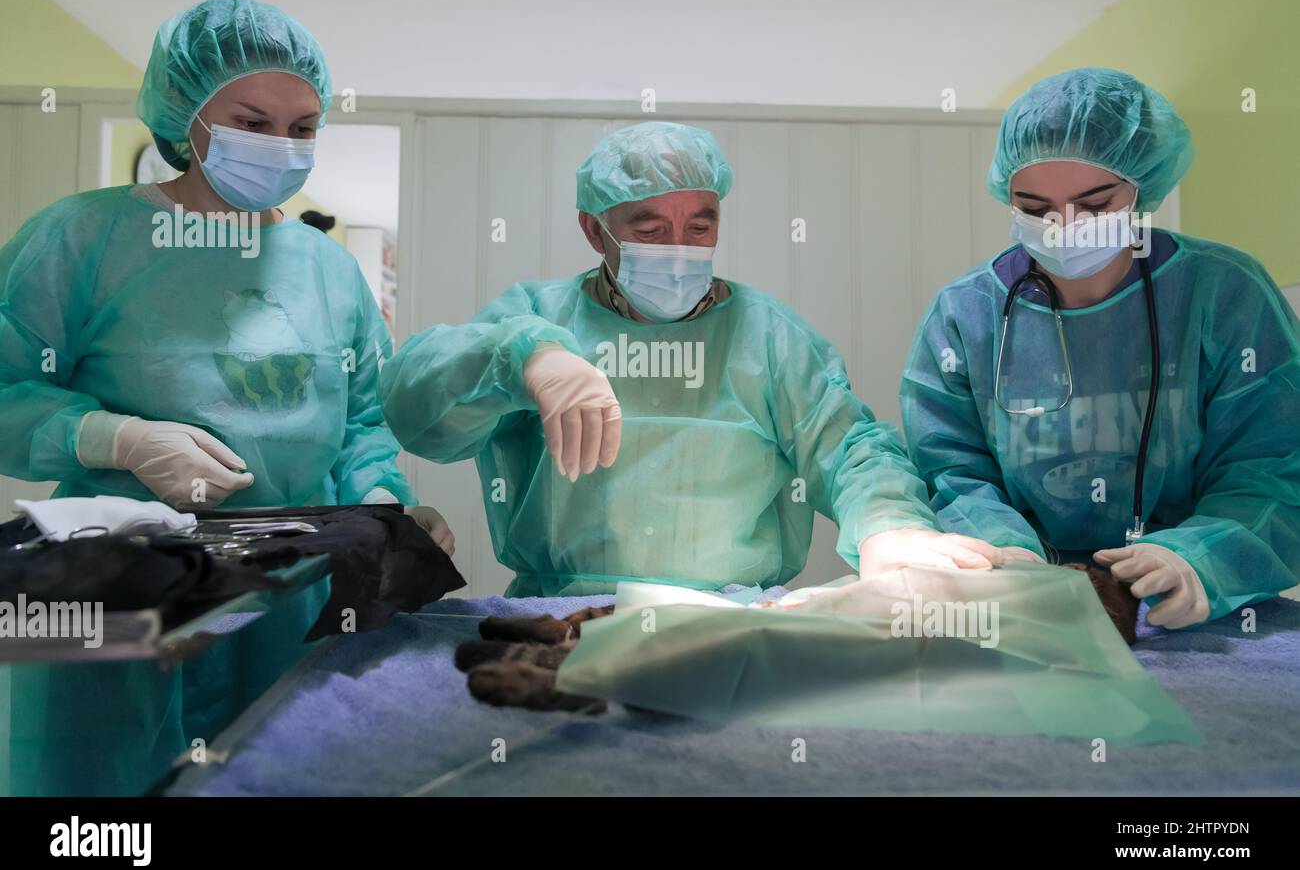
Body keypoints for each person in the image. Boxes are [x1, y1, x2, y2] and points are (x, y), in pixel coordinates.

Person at [0, 0, 450, 794]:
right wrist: (114, 438)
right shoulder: (82, 237)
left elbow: (363, 423)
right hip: (117, 585)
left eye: (303, 128)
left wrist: (382, 504)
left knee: (280, 774)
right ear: (187, 113)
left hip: (292, 595)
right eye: (253, 121)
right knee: (102, 813)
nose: (281, 146)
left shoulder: (325, 268)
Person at [381, 121, 1008, 597]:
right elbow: (417, 413)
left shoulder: (768, 336)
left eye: (700, 227)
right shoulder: (539, 318)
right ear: (593, 230)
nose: (678, 249)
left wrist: (888, 525)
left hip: (733, 619)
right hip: (564, 616)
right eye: (649, 230)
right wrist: (520, 358)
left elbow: (851, 449)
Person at [901, 67, 1300, 629]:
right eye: (1034, 208)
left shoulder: (1223, 292)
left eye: (1093, 205)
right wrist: (1002, 553)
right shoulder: (967, 314)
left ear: (1143, 185)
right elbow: (950, 471)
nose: (1063, 227)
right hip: (1024, 606)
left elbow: (1273, 465)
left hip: (1196, 609)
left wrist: (1198, 559)